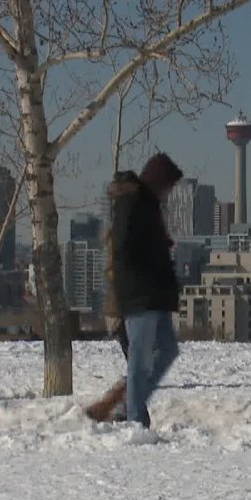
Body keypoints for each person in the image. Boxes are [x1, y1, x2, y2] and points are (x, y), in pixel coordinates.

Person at [90, 152, 184, 428]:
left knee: (166, 351)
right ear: (158, 179)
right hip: (139, 294)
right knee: (140, 360)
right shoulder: (132, 202)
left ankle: (127, 406)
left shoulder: (148, 204)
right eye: (168, 185)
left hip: (155, 294)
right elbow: (122, 249)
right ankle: (133, 417)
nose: (169, 192)